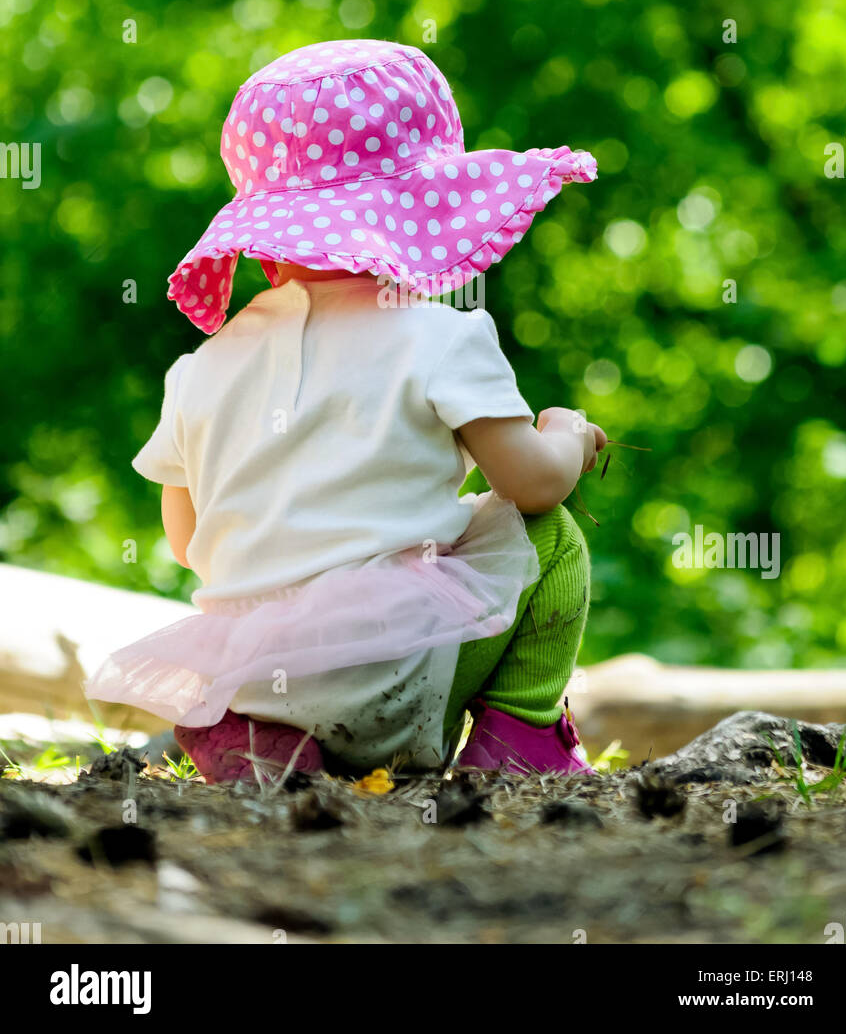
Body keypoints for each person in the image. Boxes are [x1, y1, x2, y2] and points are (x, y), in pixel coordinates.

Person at [84, 39, 605, 782]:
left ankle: (262, 738)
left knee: (253, 635)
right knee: (550, 540)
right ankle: (519, 740)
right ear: (421, 214)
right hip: (389, 681)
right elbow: (532, 488)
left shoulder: (203, 367)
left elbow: (187, 539)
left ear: (266, 239)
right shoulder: (441, 335)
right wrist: (566, 433)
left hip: (253, 682)